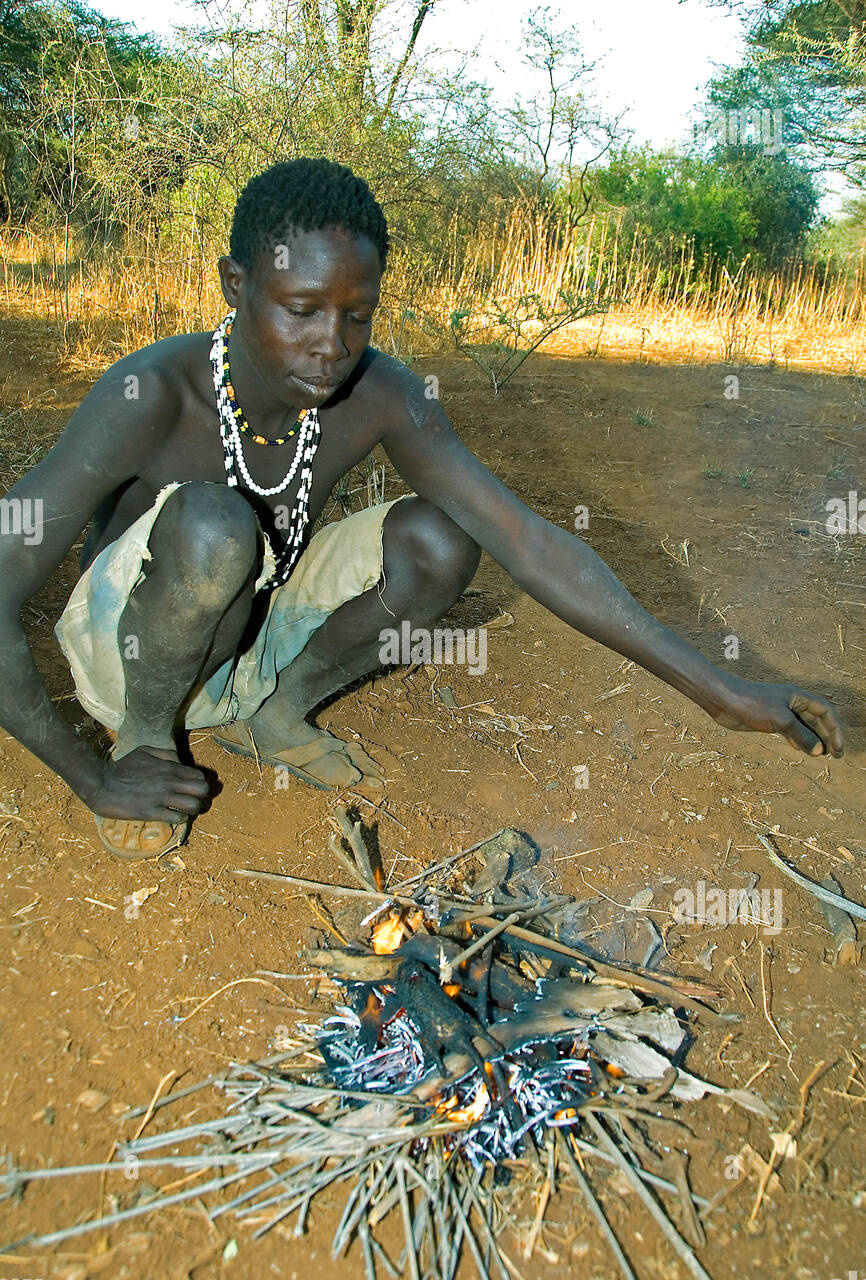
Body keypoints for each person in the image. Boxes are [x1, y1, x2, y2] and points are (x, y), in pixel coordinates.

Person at [0, 158, 844, 860]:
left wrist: (719, 691)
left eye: (356, 315)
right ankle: (148, 740)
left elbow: (528, 542)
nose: (331, 345)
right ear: (236, 284)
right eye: (301, 311)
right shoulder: (153, 390)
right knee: (216, 525)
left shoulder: (380, 393)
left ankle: (277, 709)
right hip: (131, 653)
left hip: (254, 625)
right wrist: (89, 776)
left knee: (443, 537)